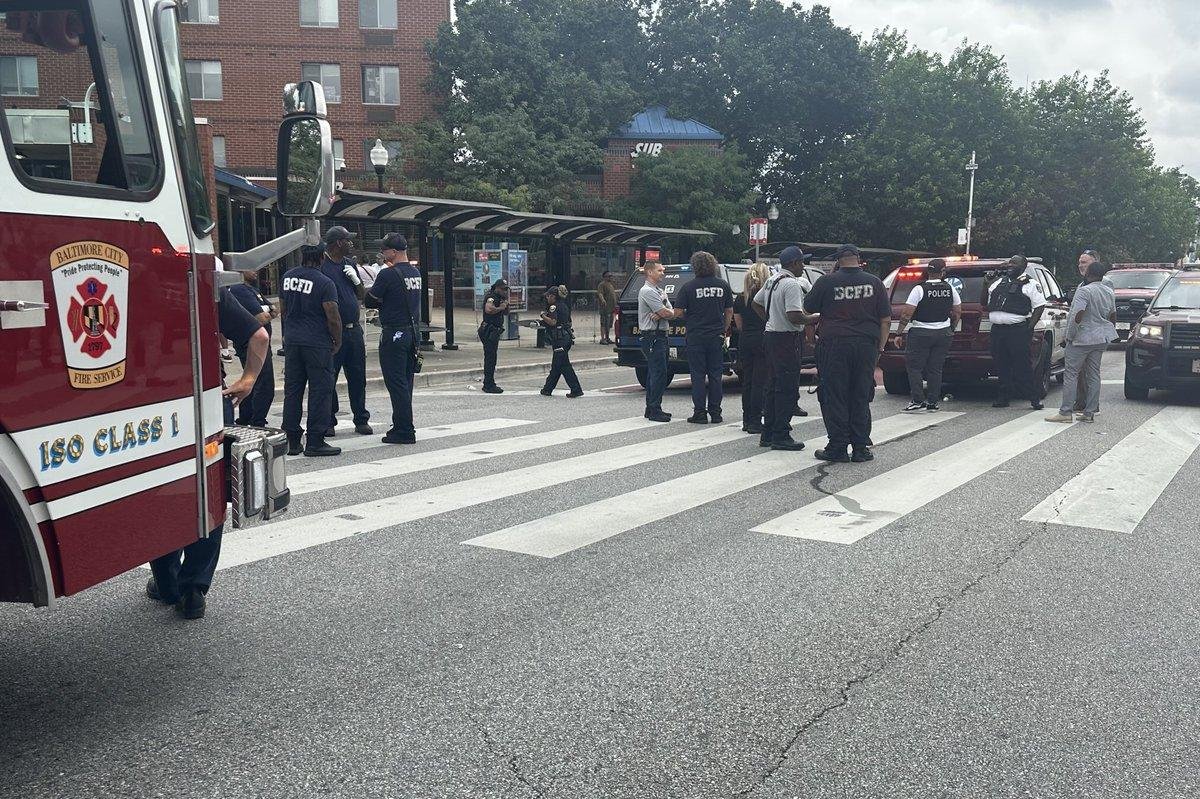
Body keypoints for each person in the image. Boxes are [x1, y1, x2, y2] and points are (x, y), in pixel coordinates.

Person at [147, 287, 270, 620]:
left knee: (163, 490)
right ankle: (193, 590)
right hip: (209, 398)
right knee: (208, 492)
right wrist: (248, 380)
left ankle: (167, 583)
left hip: (155, 402)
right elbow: (259, 336)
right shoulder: (204, 287)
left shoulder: (141, 281)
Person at [803, 244, 891, 463]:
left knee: (835, 396)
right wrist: (880, 348)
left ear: (838, 260)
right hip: (866, 345)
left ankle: (838, 447)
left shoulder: (826, 282)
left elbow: (808, 308)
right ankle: (860, 448)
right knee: (860, 395)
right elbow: (885, 320)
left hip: (835, 345)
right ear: (858, 259)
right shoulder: (875, 283)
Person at [281, 244, 343, 457]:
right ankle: (315, 441)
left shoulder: (287, 277)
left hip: (293, 340)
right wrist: (337, 340)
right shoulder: (325, 282)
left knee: (293, 390)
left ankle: (292, 440)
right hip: (316, 342)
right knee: (320, 391)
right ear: (322, 257)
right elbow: (332, 315)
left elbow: (283, 309)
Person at [365, 233, 424, 444]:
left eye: (384, 250)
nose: (382, 254)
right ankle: (402, 424)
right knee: (406, 381)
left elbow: (370, 300)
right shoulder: (415, 273)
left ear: (394, 251)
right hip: (412, 332)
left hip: (394, 333)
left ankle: (404, 429)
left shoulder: (387, 274)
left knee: (396, 382)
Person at [752, 246, 812, 450]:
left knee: (772, 386)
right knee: (787, 388)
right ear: (794, 263)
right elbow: (795, 316)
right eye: (802, 262)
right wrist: (815, 318)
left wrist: (770, 319)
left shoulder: (772, 280)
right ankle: (781, 434)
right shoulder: (792, 284)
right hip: (786, 339)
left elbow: (756, 303)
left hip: (771, 337)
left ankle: (768, 433)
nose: (803, 266)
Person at [1047, 259, 1117, 423]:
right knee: (1094, 375)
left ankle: (1065, 412)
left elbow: (1077, 315)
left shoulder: (1084, 291)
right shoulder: (1109, 292)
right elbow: (1113, 315)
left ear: (1089, 274)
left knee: (1071, 374)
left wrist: (1069, 336)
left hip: (1082, 338)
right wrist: (1109, 332)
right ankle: (1089, 412)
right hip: (1100, 338)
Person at [320, 226, 372, 437]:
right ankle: (328, 420)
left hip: (353, 330)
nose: (351, 244)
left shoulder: (349, 264)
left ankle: (361, 418)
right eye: (348, 240)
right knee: (329, 378)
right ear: (339, 243)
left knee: (358, 377)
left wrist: (357, 281)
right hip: (332, 331)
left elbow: (361, 295)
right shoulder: (323, 266)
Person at [894, 258, 961, 412]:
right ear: (943, 272)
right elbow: (957, 311)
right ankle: (933, 402)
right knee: (935, 368)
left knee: (914, 367)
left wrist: (899, 333)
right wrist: (951, 328)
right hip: (943, 333)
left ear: (928, 271)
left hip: (921, 332)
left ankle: (918, 400)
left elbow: (906, 313)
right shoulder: (950, 288)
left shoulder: (919, 289)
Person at [675, 251, 734, 424]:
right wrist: (724, 328)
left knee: (698, 375)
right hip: (716, 335)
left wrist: (690, 318)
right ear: (713, 264)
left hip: (696, 336)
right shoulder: (723, 285)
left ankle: (700, 412)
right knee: (715, 375)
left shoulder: (688, 287)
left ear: (695, 266)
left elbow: (678, 312)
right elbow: (729, 311)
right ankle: (716, 413)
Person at [986, 254, 1046, 410]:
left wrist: (1029, 327)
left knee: (1022, 366)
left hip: (1017, 330)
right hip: (998, 330)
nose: (1010, 265)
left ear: (1023, 267)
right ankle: (1004, 397)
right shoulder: (999, 282)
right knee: (1001, 364)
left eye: (1015, 263)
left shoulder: (1031, 284)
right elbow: (983, 301)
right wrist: (986, 283)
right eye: (1010, 263)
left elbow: (1039, 306)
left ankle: (1034, 398)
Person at [227, 270, 276, 427]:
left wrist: (266, 310)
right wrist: (266, 310)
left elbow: (275, 309)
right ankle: (257, 421)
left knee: (253, 383)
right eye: (250, 267)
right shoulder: (239, 289)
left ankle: (247, 418)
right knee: (264, 384)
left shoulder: (253, 290)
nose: (255, 271)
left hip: (260, 343)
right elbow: (262, 318)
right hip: (251, 343)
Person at [734, 263, 770, 434]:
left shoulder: (741, 298)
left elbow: (739, 325)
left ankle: (747, 419)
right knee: (760, 382)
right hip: (762, 339)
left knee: (747, 381)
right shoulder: (766, 297)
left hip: (745, 340)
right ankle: (756, 420)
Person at [638, 262, 676, 422]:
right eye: (659, 270)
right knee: (658, 373)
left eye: (663, 270)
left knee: (655, 373)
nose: (663, 273)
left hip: (660, 335)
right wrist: (664, 313)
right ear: (649, 272)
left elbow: (671, 311)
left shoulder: (659, 291)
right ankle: (655, 409)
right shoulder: (647, 291)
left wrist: (663, 313)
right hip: (653, 337)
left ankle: (651, 407)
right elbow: (666, 312)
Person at [540, 285, 584, 398]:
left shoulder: (553, 307)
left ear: (553, 296)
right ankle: (547, 389)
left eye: (548, 296)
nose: (547, 298)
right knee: (557, 365)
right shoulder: (564, 306)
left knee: (564, 366)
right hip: (566, 338)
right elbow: (567, 321)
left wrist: (543, 316)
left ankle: (576, 389)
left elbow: (553, 322)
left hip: (560, 339)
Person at [478, 278, 509, 394]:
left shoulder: (501, 298)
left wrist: (505, 305)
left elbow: (505, 313)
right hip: (489, 330)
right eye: (503, 289)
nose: (504, 291)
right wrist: (501, 307)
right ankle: (488, 384)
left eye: (506, 289)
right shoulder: (491, 297)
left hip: (494, 331)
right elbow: (489, 309)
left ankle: (489, 382)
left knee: (492, 358)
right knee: (490, 358)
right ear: (497, 288)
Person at [597, 271, 618, 345]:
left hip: (611, 308)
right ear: (604, 277)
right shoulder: (602, 285)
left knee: (609, 324)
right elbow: (600, 293)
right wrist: (603, 300)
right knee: (603, 323)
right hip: (605, 308)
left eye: (611, 276)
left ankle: (607, 338)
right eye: (609, 276)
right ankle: (602, 339)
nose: (610, 277)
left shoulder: (610, 285)